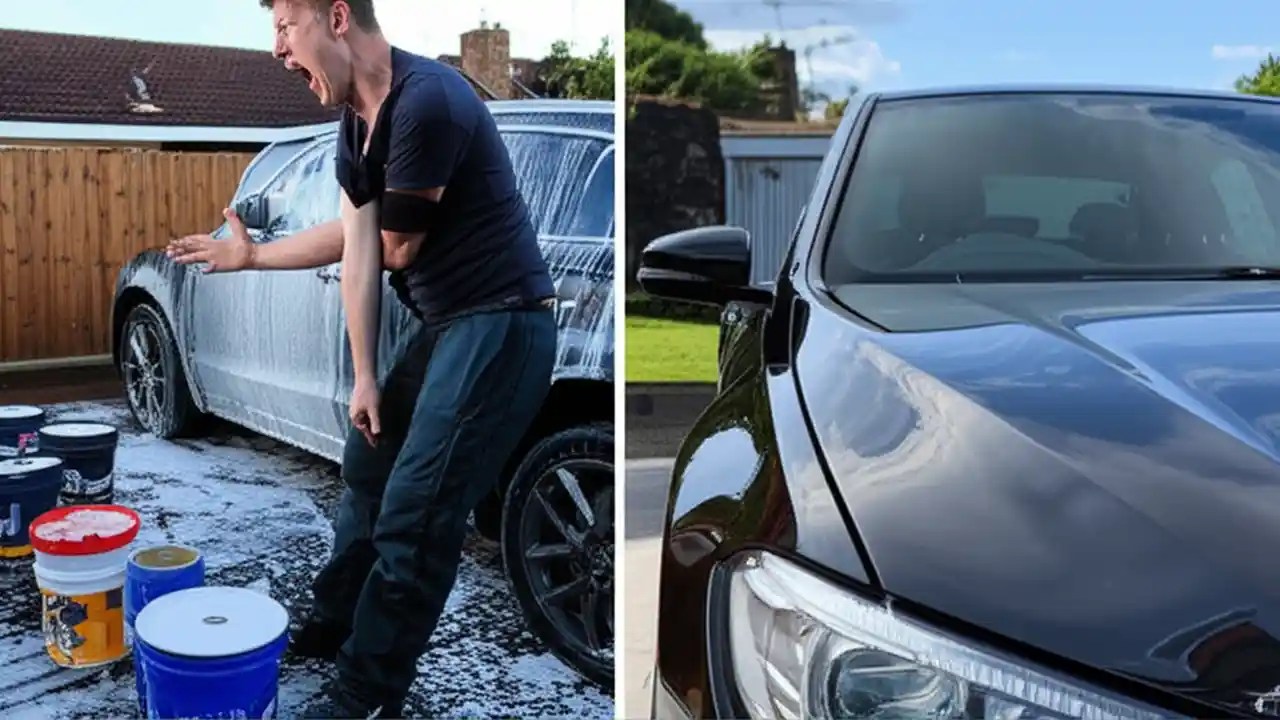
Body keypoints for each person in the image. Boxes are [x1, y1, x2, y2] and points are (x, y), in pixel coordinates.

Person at [166, 0, 558, 716]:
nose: (277, 50)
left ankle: (365, 693)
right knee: (368, 465)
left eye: (285, 27)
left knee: (417, 513)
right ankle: (336, 621)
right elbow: (358, 256)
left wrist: (270, 255)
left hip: (501, 325)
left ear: (337, 17)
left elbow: (392, 248)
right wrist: (365, 377)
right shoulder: (356, 125)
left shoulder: (429, 102)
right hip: (441, 320)